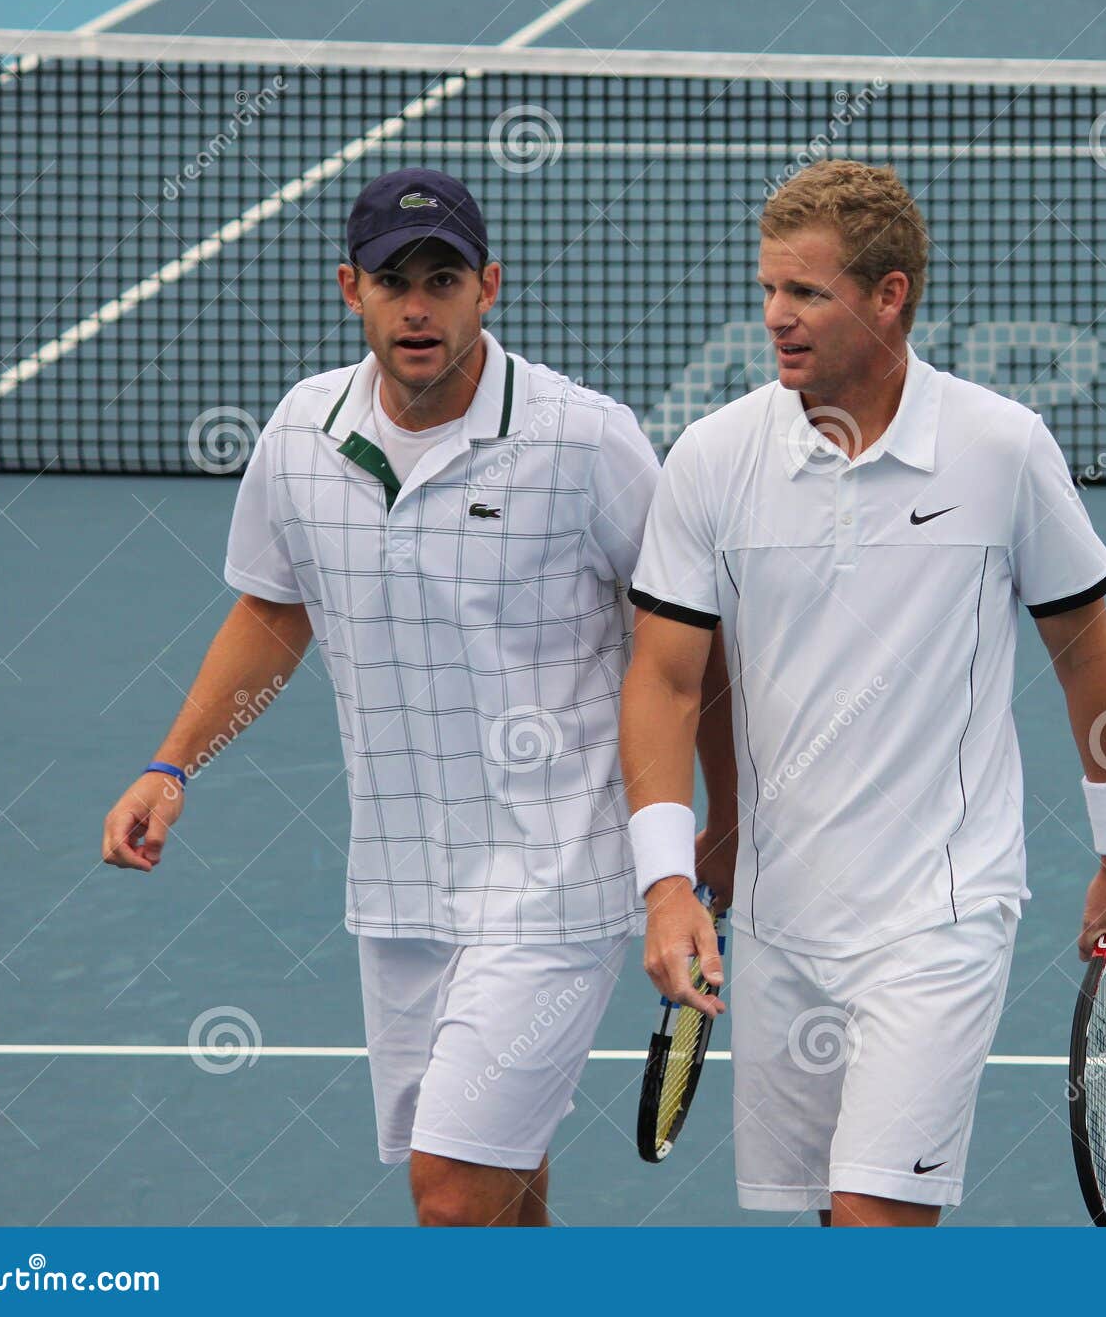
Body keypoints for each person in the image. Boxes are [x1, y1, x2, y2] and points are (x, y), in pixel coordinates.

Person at [101, 166, 729, 1225]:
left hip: (558, 876)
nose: (418, 305)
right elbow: (273, 612)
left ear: (491, 285)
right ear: (351, 289)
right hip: (399, 885)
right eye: (394, 282)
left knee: (447, 1195)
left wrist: (708, 836)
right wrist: (172, 765)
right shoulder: (302, 435)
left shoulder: (583, 440)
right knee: (504, 1189)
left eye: (442, 279)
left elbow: (683, 645)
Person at [619, 159, 1106, 1227]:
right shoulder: (713, 459)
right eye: (768, 288)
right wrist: (667, 881)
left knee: (876, 1228)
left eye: (806, 293)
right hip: (776, 919)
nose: (776, 316)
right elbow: (665, 677)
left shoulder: (998, 448)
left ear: (888, 295)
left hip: (940, 910)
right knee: (822, 1226)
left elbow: (1085, 658)